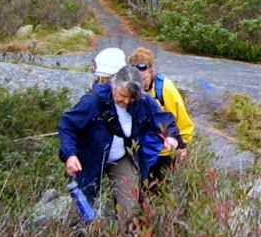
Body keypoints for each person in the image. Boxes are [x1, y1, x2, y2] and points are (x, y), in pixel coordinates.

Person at [59, 64, 180, 224]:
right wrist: (70, 155)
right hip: (90, 158)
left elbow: (163, 119)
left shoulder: (143, 102)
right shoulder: (92, 102)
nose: (126, 101)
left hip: (122, 156)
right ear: (113, 85)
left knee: (129, 207)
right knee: (84, 206)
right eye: (123, 95)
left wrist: (170, 136)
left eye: (132, 97)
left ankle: (123, 236)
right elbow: (67, 125)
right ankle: (82, 235)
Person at [128, 47, 194, 183]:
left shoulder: (165, 88)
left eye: (143, 79)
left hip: (164, 151)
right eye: (136, 80)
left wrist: (182, 145)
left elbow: (181, 118)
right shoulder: (128, 89)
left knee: (158, 189)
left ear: (150, 71)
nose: (140, 84)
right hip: (139, 151)